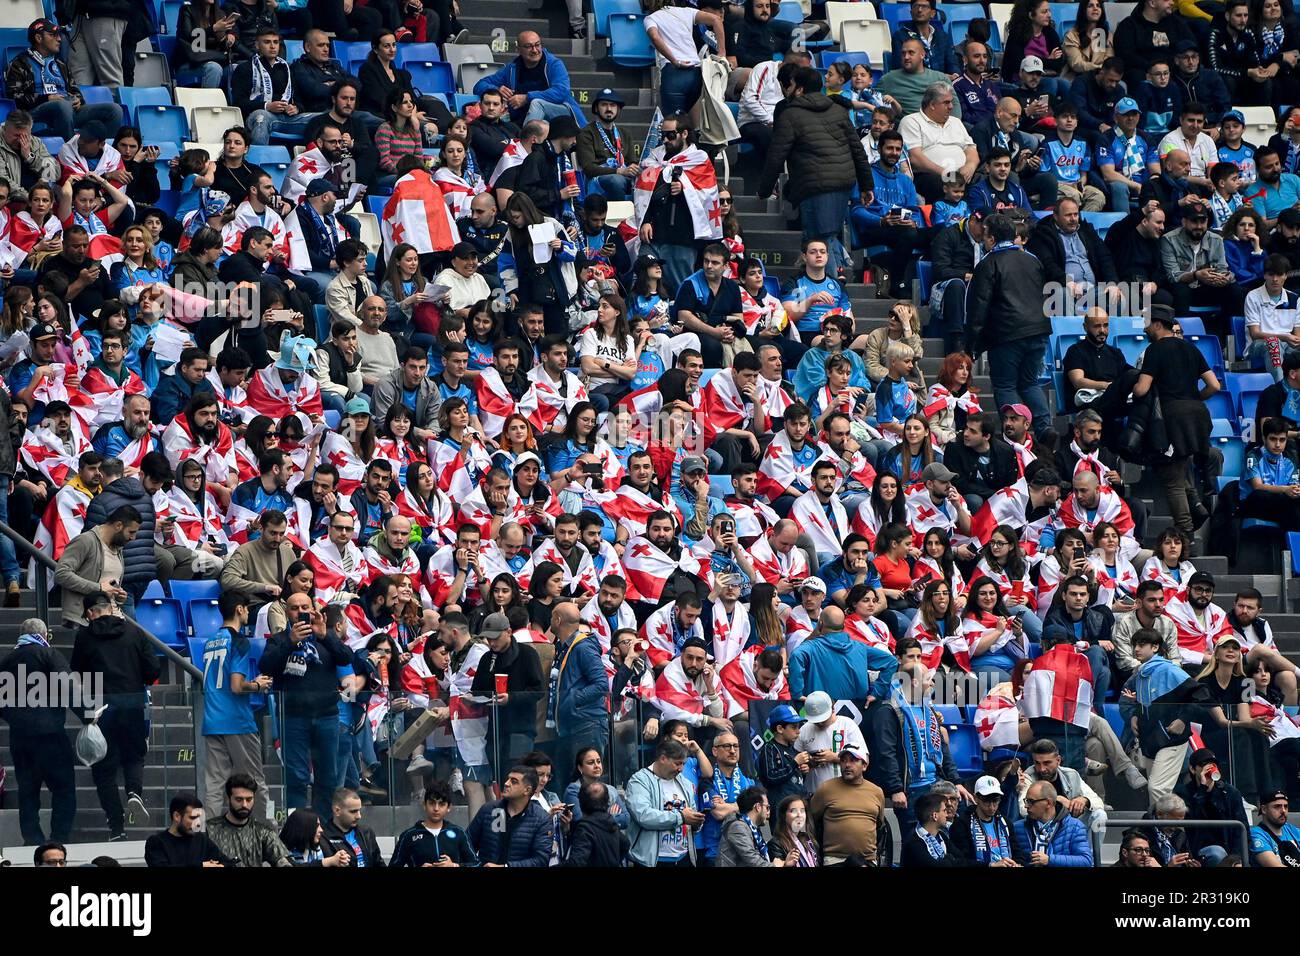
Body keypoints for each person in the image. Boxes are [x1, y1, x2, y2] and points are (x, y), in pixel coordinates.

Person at [758, 65, 874, 280]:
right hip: (842, 183)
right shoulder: (838, 110)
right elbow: (858, 150)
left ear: (799, 89)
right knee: (824, 237)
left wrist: (764, 190)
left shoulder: (790, 114)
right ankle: (825, 286)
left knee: (819, 242)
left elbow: (776, 156)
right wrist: (866, 185)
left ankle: (832, 293)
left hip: (814, 185)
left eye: (791, 86)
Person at [260, 592, 359, 817]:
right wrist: (290, 642)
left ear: (314, 610)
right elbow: (266, 666)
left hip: (327, 716)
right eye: (295, 608)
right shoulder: (278, 640)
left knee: (328, 777)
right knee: (296, 777)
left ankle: (321, 829)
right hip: (293, 718)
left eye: (305, 607)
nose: (300, 612)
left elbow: (347, 658)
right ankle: (297, 827)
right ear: (287, 612)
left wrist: (326, 636)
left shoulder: (325, 637)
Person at [1127, 310, 1220, 534]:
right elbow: (1214, 385)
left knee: (1171, 478)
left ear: (1158, 324)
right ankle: (1198, 503)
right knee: (1182, 466)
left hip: (1171, 420)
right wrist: (1194, 399)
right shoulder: (1190, 347)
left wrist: (1128, 387)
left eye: (1148, 324)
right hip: (1198, 415)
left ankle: (1185, 532)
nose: (1144, 329)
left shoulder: (1154, 349)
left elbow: (1142, 389)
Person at [967, 214, 1052, 440]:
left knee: (1005, 386)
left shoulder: (988, 263)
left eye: (985, 236)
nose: (983, 240)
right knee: (1029, 383)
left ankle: (1013, 436)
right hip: (1039, 329)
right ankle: (1045, 429)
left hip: (1007, 334)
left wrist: (972, 344)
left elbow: (978, 307)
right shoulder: (1033, 259)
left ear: (992, 239)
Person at [0, 617, 75, 846]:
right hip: (51, 734)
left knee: (28, 790)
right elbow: (68, 687)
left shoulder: (7, 660)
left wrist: (14, 718)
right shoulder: (50, 655)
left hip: (21, 737)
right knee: (63, 789)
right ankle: (59, 838)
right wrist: (88, 716)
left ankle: (33, 839)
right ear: (44, 634)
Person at [200, 591, 272, 821]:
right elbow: (237, 686)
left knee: (213, 785)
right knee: (255, 780)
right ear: (239, 609)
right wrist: (258, 685)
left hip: (212, 720)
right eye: (247, 608)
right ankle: (268, 833)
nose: (248, 613)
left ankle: (209, 837)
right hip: (238, 722)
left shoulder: (210, 642)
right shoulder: (239, 642)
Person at [900, 81, 978, 206]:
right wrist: (946, 174)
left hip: (962, 176)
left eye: (951, 102)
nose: (951, 106)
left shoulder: (956, 122)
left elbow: (971, 150)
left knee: (985, 181)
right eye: (946, 102)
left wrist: (970, 166)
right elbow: (915, 158)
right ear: (932, 105)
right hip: (931, 175)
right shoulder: (911, 121)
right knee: (938, 184)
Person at [809, 745, 886, 866]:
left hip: (867, 860)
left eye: (853, 760)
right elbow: (810, 820)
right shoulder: (826, 788)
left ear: (864, 766)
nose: (847, 765)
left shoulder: (876, 792)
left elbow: (879, 824)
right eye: (843, 760)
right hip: (834, 859)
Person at [205, 773, 293, 868]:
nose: (244, 805)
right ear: (228, 799)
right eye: (239, 800)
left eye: (249, 799)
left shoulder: (263, 833)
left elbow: (282, 859)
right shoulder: (210, 830)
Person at [390, 781, 479, 867]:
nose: (436, 808)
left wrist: (454, 865)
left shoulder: (459, 833)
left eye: (441, 804)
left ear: (449, 807)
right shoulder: (408, 836)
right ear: (424, 805)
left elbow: (476, 864)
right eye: (432, 803)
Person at [1015, 780, 1094, 866]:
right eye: (1026, 801)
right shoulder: (1018, 828)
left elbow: (1085, 861)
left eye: (1031, 802)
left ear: (1048, 803)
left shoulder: (1075, 827)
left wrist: (1050, 860)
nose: (1026, 806)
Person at [144, 794, 234, 867]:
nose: (198, 823)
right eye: (193, 818)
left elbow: (228, 863)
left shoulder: (201, 840)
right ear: (177, 816)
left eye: (200, 818)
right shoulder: (156, 843)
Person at [563, 781, 631, 866]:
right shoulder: (610, 822)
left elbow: (576, 862)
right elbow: (625, 844)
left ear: (581, 803)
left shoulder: (585, 827)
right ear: (607, 801)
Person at [320, 788, 386, 867]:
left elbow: (378, 862)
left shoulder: (366, 832)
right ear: (337, 811)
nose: (359, 816)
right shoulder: (323, 837)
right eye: (353, 811)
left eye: (359, 810)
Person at [1249, 790, 1300, 866]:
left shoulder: (1291, 829)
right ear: (1264, 809)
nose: (1283, 811)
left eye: (1285, 806)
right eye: (1277, 806)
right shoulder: (1256, 834)